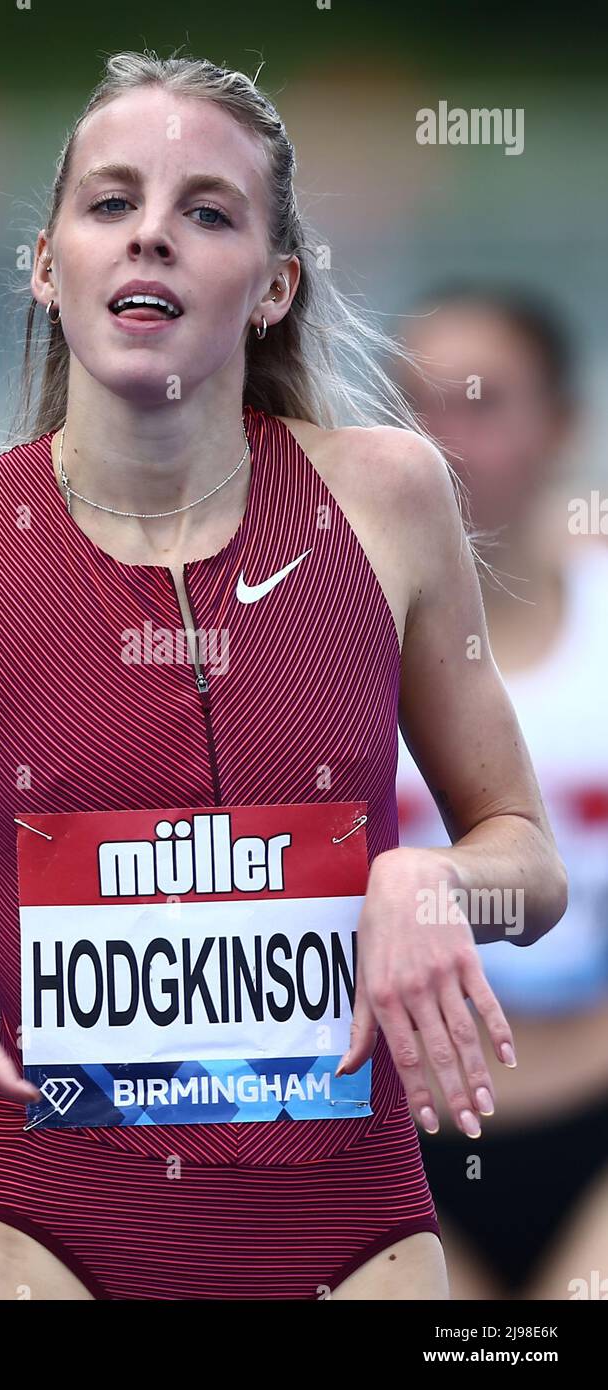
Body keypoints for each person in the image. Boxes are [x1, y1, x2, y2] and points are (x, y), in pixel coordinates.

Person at [0, 52, 567, 1301]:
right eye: (109, 204)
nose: (150, 234)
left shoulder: (390, 500)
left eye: (204, 211)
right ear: (47, 267)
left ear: (271, 288)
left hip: (350, 1230)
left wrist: (436, 881)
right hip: (45, 1228)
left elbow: (524, 865)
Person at [393, 282, 608, 1301]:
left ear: (560, 425)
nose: (441, 442)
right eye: (414, 406)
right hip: (398, 1152)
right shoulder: (324, 645)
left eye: (479, 404)